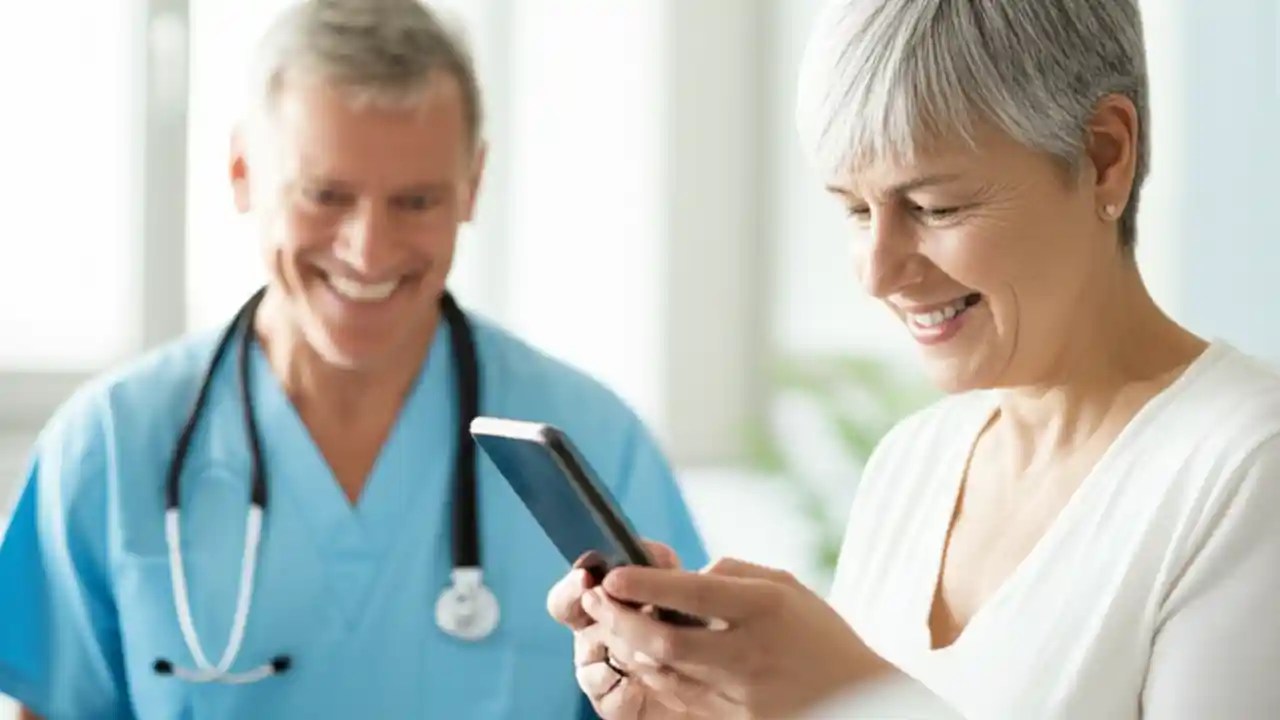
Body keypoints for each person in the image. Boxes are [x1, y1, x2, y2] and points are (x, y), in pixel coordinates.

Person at [549, 0, 1280, 718]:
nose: (876, 272)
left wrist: (850, 695)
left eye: (935, 207)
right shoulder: (913, 464)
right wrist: (703, 706)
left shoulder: (1246, 470)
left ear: (1104, 155)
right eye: (857, 211)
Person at [0, 1, 707, 718]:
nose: (367, 250)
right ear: (243, 172)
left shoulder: (594, 443)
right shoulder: (111, 445)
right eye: (325, 195)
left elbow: (683, 699)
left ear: (473, 183)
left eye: (416, 200)